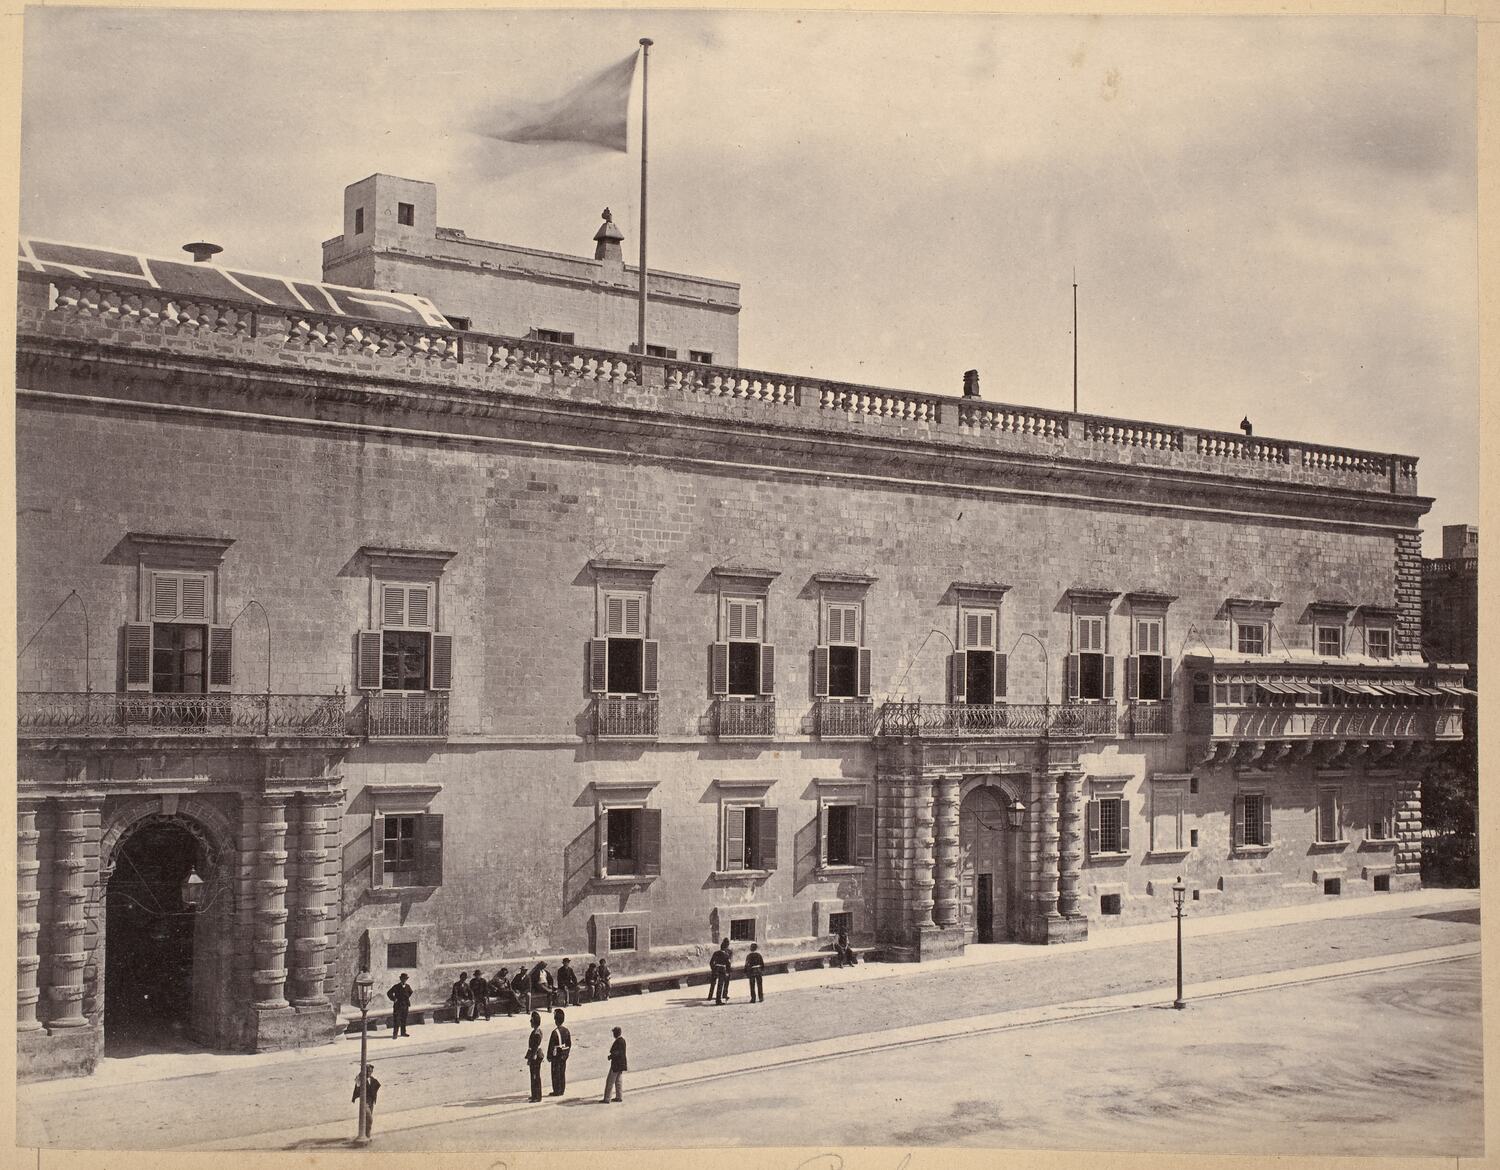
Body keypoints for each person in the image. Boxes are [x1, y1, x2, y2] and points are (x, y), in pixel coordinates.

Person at [547, 1008, 572, 1097]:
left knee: (555, 1073)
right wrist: (566, 1054)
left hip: (556, 1054)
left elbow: (551, 1045)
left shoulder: (554, 1032)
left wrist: (549, 1056)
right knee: (562, 1072)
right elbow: (569, 1044)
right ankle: (562, 1089)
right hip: (563, 1054)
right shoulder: (566, 1030)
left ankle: (556, 1090)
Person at [352, 1063, 380, 1136]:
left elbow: (377, 1086)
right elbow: (357, 1087)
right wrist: (359, 1077)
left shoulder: (372, 1080)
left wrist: (373, 1097)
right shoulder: (361, 1080)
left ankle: (366, 1134)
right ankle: (367, 1135)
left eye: (370, 1071)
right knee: (370, 1119)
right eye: (367, 1071)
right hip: (364, 1102)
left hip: (371, 1102)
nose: (369, 1073)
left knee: (367, 1120)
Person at [602, 1026, 627, 1103]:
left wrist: (610, 1056)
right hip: (621, 1064)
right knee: (618, 1081)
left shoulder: (618, 1041)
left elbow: (616, 1053)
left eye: (613, 1033)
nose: (613, 1034)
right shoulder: (623, 1040)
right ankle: (619, 1097)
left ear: (616, 1033)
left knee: (610, 1081)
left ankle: (607, 1099)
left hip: (616, 1065)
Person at [525, 1011, 545, 1101]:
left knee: (535, 1076)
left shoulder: (536, 1034)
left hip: (535, 1056)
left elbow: (534, 1047)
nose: (530, 1022)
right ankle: (535, 1094)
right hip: (536, 1054)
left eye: (531, 1021)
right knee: (535, 1075)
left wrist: (530, 1058)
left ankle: (536, 1096)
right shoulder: (537, 1031)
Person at [386, 973, 413, 1037]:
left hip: (405, 1005)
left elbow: (411, 992)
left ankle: (403, 1033)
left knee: (404, 1019)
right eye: (403, 979)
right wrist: (394, 999)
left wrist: (406, 998)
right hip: (398, 1006)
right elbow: (389, 993)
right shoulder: (396, 986)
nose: (404, 980)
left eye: (405, 979)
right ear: (400, 979)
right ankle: (395, 1034)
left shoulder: (408, 986)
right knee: (397, 1020)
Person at [710, 938, 732, 1004]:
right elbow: (728, 964)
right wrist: (728, 972)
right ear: (725, 948)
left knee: (714, 984)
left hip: (716, 969)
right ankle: (718, 1000)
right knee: (720, 985)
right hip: (722, 970)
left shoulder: (715, 953)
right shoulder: (726, 955)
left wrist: (713, 969)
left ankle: (712, 997)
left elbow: (711, 962)